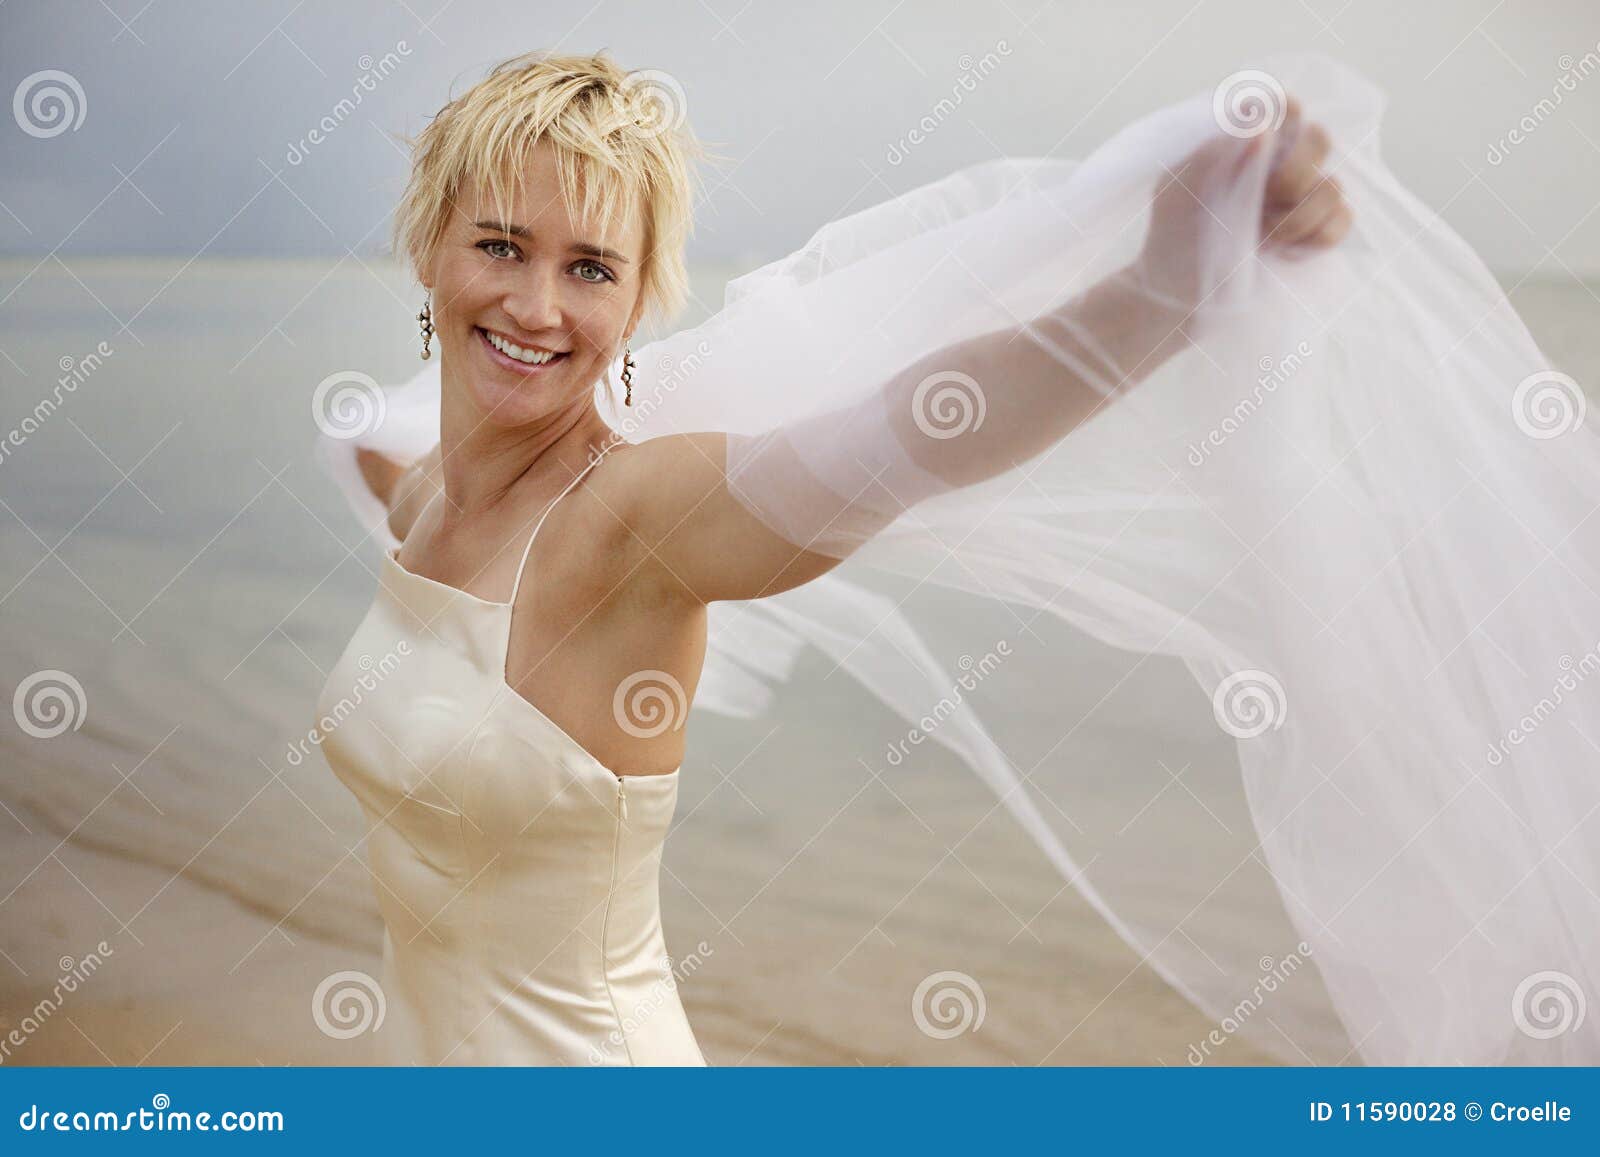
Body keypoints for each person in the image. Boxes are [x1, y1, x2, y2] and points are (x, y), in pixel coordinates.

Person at [319, 49, 1599, 1066]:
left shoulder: (631, 521)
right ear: (428, 246)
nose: (540, 306)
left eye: (589, 268)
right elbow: (387, 444)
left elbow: (906, 431)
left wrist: (1158, 294)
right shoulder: (421, 489)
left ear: (637, 300)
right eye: (500, 246)